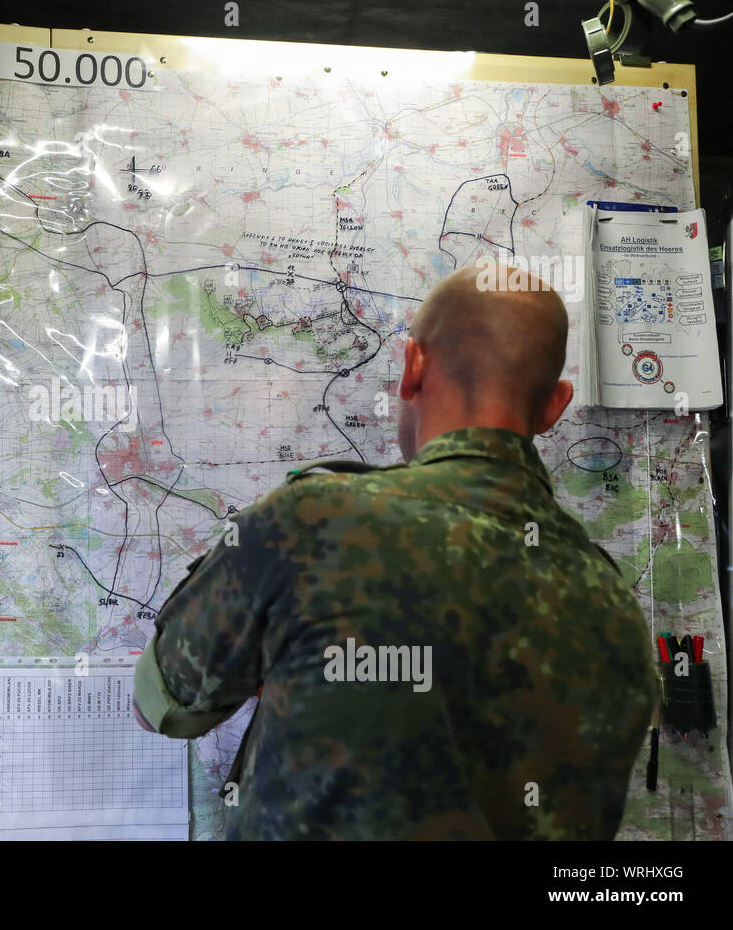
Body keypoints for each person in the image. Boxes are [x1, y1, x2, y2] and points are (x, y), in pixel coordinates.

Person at [133, 264, 656, 839]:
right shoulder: (615, 607)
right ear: (554, 406)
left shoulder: (311, 524)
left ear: (414, 367)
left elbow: (163, 706)